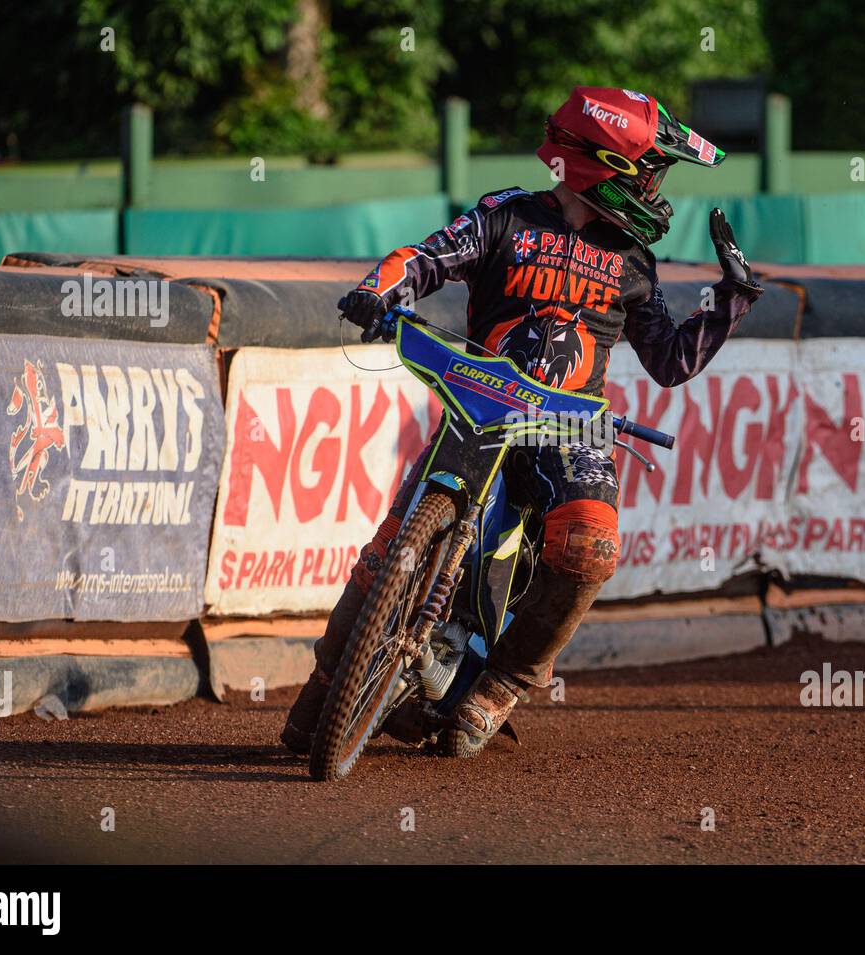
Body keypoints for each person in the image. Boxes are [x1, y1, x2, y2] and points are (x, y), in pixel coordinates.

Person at [282, 86, 763, 757]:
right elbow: (424, 259)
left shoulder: (632, 261)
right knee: (392, 542)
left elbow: (671, 361)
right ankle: (327, 683)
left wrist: (732, 297)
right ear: (605, 165)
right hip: (480, 399)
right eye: (651, 172)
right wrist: (376, 292)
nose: (658, 190)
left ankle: (500, 685)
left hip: (572, 425)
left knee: (591, 546)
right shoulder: (503, 216)